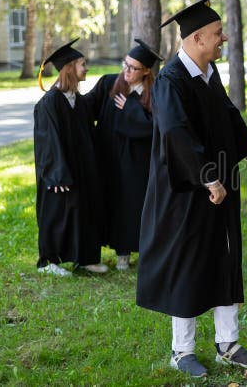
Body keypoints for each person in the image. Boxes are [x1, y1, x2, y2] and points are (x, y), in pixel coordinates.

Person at [135, 0, 247, 378]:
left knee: (225, 257)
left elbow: (227, 112)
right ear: (195, 40)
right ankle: (182, 350)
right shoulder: (171, 81)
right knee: (190, 265)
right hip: (186, 191)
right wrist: (208, 176)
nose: (222, 38)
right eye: (216, 33)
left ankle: (229, 343)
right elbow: (177, 133)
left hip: (220, 184)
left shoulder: (210, 73)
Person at [84, 39, 161, 270]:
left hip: (137, 163)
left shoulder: (154, 93)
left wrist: (130, 108)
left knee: (133, 206)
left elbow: (153, 127)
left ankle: (134, 253)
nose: (126, 71)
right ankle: (119, 252)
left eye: (133, 68)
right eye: (125, 64)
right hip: (107, 158)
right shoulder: (109, 83)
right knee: (111, 204)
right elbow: (86, 108)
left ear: (146, 71)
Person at [33, 39, 108, 276]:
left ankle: (85, 258)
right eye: (82, 64)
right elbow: (47, 142)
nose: (86, 68)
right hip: (58, 174)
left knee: (85, 212)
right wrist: (57, 174)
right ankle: (49, 262)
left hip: (82, 169)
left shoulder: (77, 100)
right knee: (57, 214)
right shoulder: (50, 103)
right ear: (69, 68)